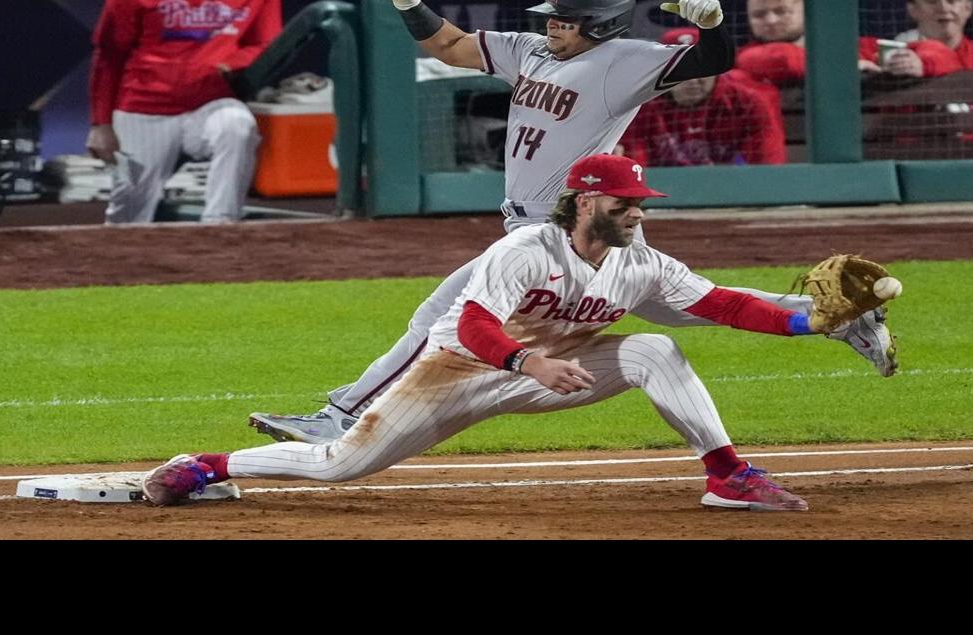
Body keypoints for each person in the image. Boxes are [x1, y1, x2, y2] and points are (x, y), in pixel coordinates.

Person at [249, 0, 896, 446]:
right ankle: (839, 316)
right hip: (571, 234)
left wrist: (714, 25)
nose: (552, 25)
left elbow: (709, 62)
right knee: (688, 307)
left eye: (565, 19)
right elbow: (445, 44)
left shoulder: (623, 63)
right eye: (552, 17)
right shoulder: (530, 50)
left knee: (436, 319)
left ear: (600, 23)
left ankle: (341, 417)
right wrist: (405, 4)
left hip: (563, 236)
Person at [144, 154, 811, 512]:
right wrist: (530, 363)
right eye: (623, 203)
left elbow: (725, 304)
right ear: (586, 202)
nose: (636, 213)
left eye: (640, 203)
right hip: (458, 372)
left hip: (552, 372)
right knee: (341, 465)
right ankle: (207, 466)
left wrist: (812, 319)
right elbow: (471, 322)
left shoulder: (644, 264)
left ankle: (727, 477)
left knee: (655, 350)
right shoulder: (526, 248)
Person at [85, 0, 281, 225]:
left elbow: (265, 42)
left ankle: (221, 225)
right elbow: (109, 56)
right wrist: (100, 124)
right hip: (143, 106)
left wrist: (232, 63)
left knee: (237, 127)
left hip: (210, 102)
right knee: (130, 210)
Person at [618, 27, 785, 167]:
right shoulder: (640, 105)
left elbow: (767, 167)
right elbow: (633, 167)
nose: (692, 80)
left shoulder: (746, 102)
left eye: (702, 69)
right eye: (683, 70)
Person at [735, 0, 883, 85]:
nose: (771, 21)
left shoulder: (855, 46)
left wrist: (903, 60)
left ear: (806, 10)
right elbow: (784, 59)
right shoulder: (746, 57)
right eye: (759, 15)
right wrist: (844, 67)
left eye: (781, 11)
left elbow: (900, 48)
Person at [882, 0, 973, 78]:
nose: (943, 8)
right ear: (913, 10)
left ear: (968, 8)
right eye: (932, 1)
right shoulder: (892, 59)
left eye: (952, 0)